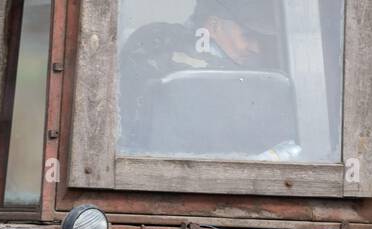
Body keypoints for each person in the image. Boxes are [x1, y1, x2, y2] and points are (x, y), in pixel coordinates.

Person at [119, 0, 280, 154]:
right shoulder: (159, 45)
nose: (256, 48)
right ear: (215, 26)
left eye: (260, 39)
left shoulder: (260, 64)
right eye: (247, 36)